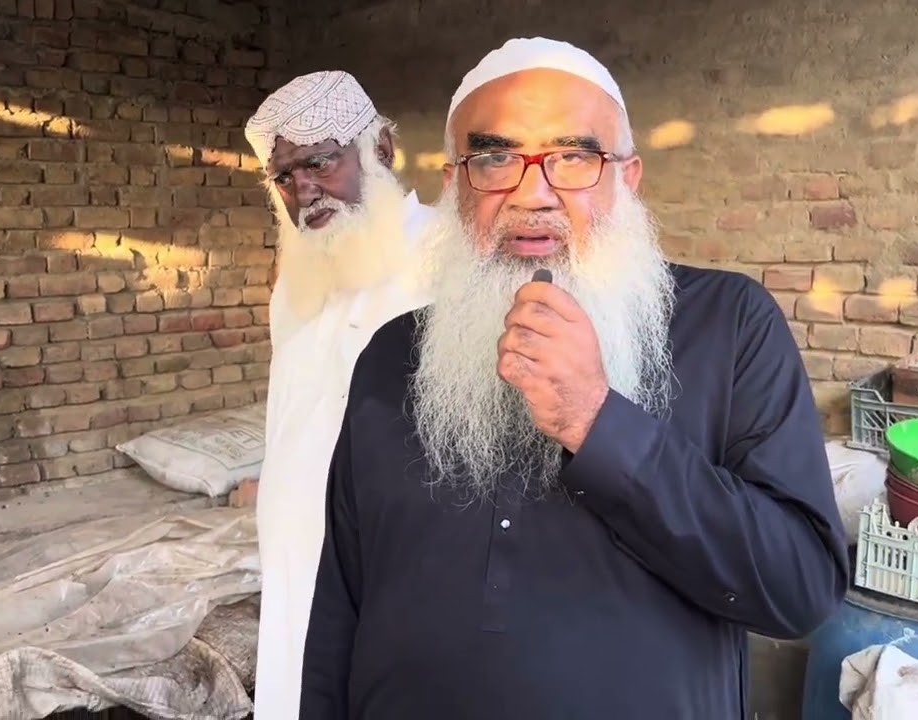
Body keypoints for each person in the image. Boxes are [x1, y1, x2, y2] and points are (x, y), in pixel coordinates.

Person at [299, 38, 850, 719]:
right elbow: (338, 614)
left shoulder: (731, 326)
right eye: (495, 157)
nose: (534, 193)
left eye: (574, 157)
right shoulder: (390, 355)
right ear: (454, 184)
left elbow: (797, 590)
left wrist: (597, 421)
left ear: (628, 177)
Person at [242, 69, 434, 720]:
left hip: (397, 583)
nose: (304, 189)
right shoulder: (297, 286)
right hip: (296, 575)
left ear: (379, 150)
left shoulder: (445, 259)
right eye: (285, 177)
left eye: (319, 161)